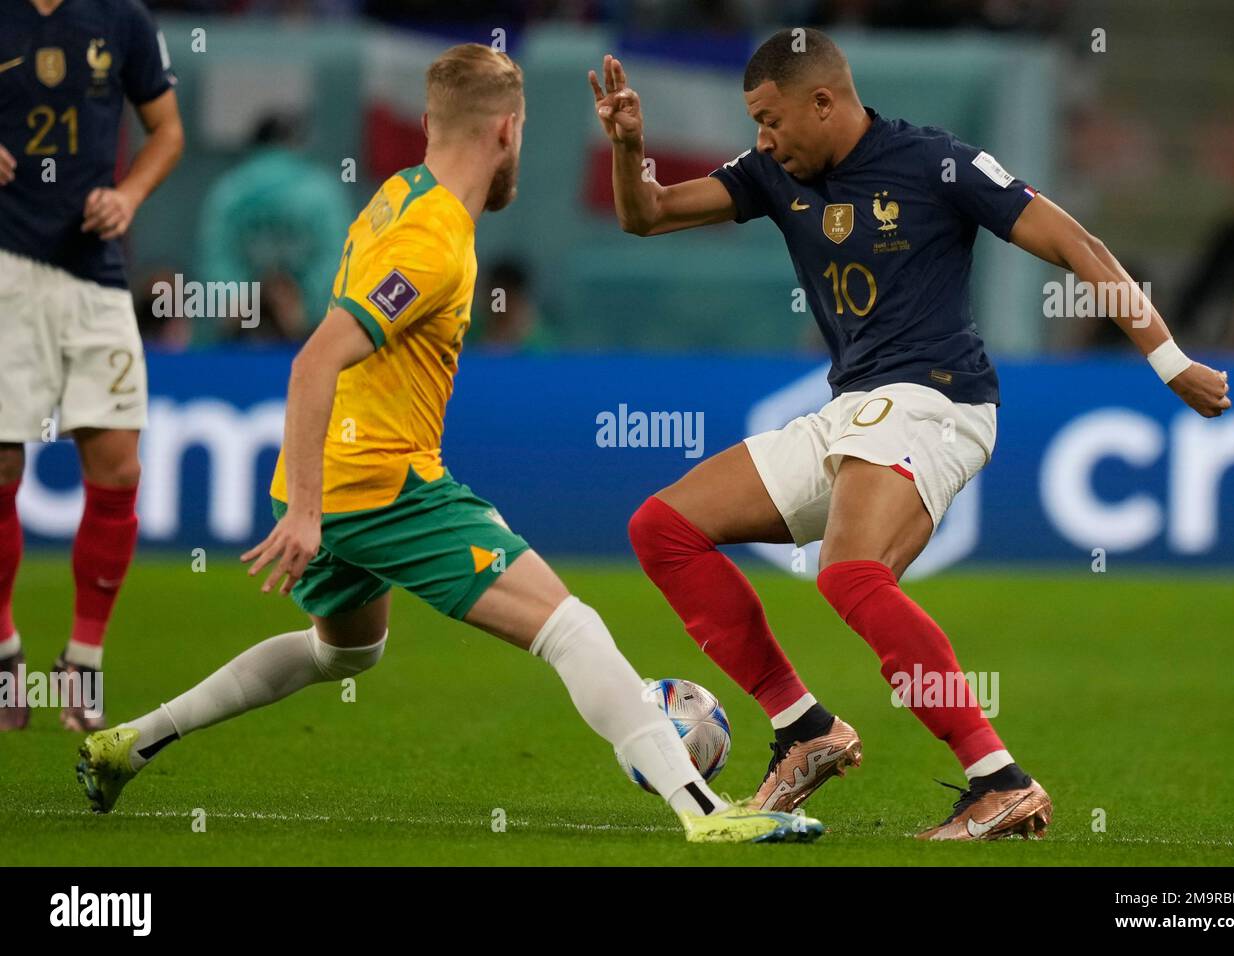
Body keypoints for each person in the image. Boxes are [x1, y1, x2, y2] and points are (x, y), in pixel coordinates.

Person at [75, 44, 821, 845]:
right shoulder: (429, 240)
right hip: (380, 483)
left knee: (343, 655)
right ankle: (704, 814)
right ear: (508, 130)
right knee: (572, 628)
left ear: (431, 124)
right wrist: (309, 513)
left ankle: (132, 741)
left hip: (340, 479)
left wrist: (307, 499)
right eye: (524, 133)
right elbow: (315, 359)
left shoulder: (401, 195)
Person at [591, 29, 1230, 840]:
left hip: (938, 398)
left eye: (769, 119)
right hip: (850, 408)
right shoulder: (770, 175)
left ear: (823, 102)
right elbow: (644, 215)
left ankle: (999, 779)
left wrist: (1168, 359)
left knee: (850, 574)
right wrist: (628, 145)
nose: (761, 140)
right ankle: (805, 729)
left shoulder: (938, 164)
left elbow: (1077, 243)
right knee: (664, 528)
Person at [0, 0, 183, 731]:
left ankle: (82, 661)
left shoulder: (122, 19)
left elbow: (166, 130)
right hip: (5, 266)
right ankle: (5, 650)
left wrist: (130, 195)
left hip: (93, 271)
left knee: (118, 470)